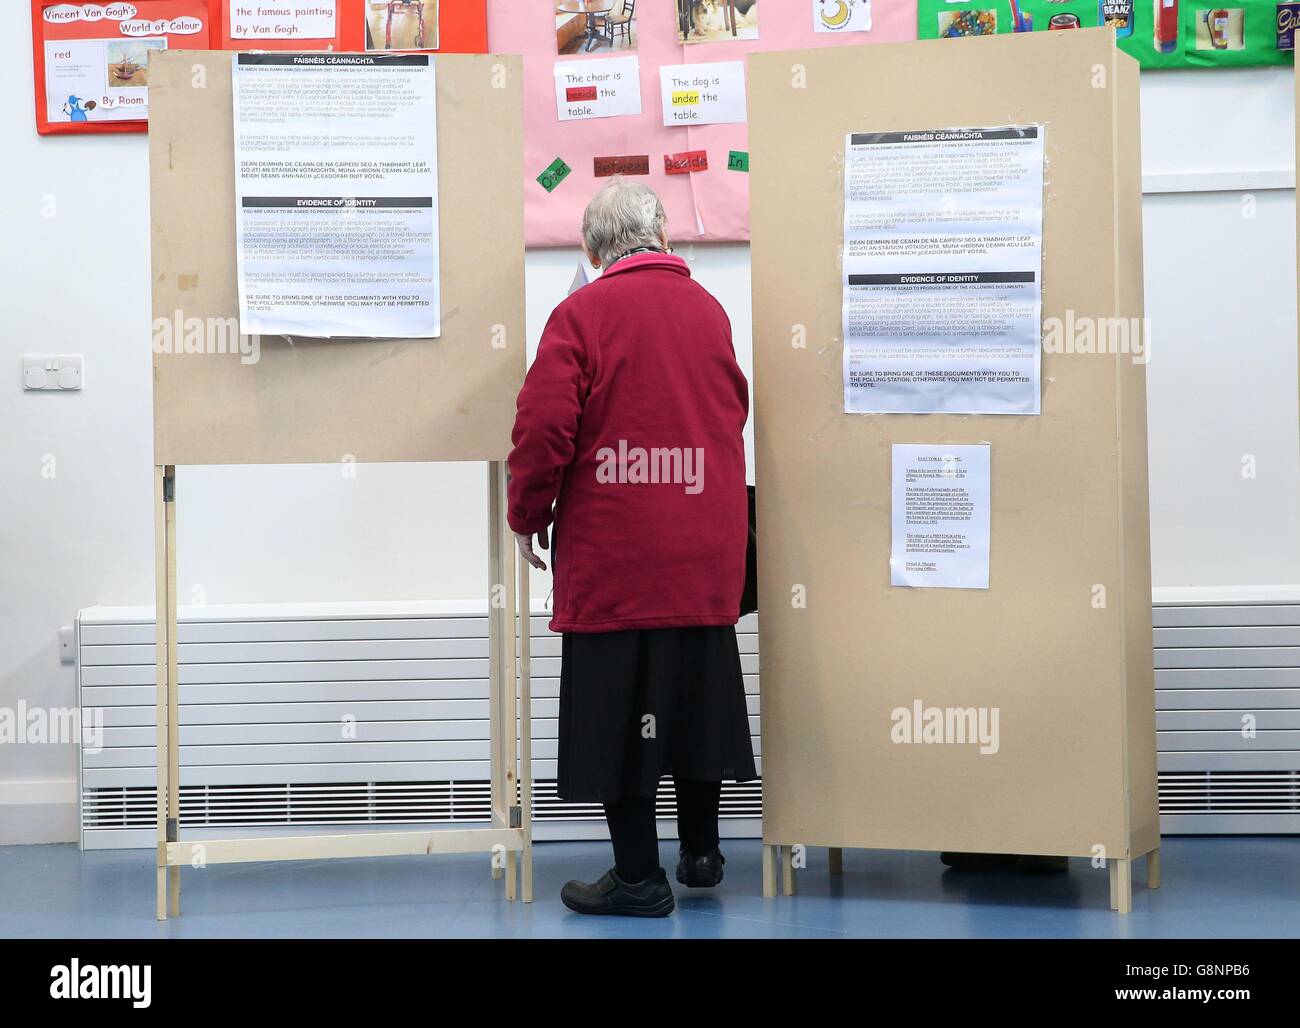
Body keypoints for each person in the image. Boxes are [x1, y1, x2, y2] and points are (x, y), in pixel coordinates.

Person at [507, 179, 754, 917]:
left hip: (619, 554)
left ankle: (640, 879)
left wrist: (529, 513)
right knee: (694, 699)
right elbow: (730, 413)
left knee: (622, 714)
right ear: (665, 239)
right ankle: (702, 851)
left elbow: (543, 427)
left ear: (591, 250)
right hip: (704, 551)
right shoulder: (708, 311)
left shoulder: (580, 314)